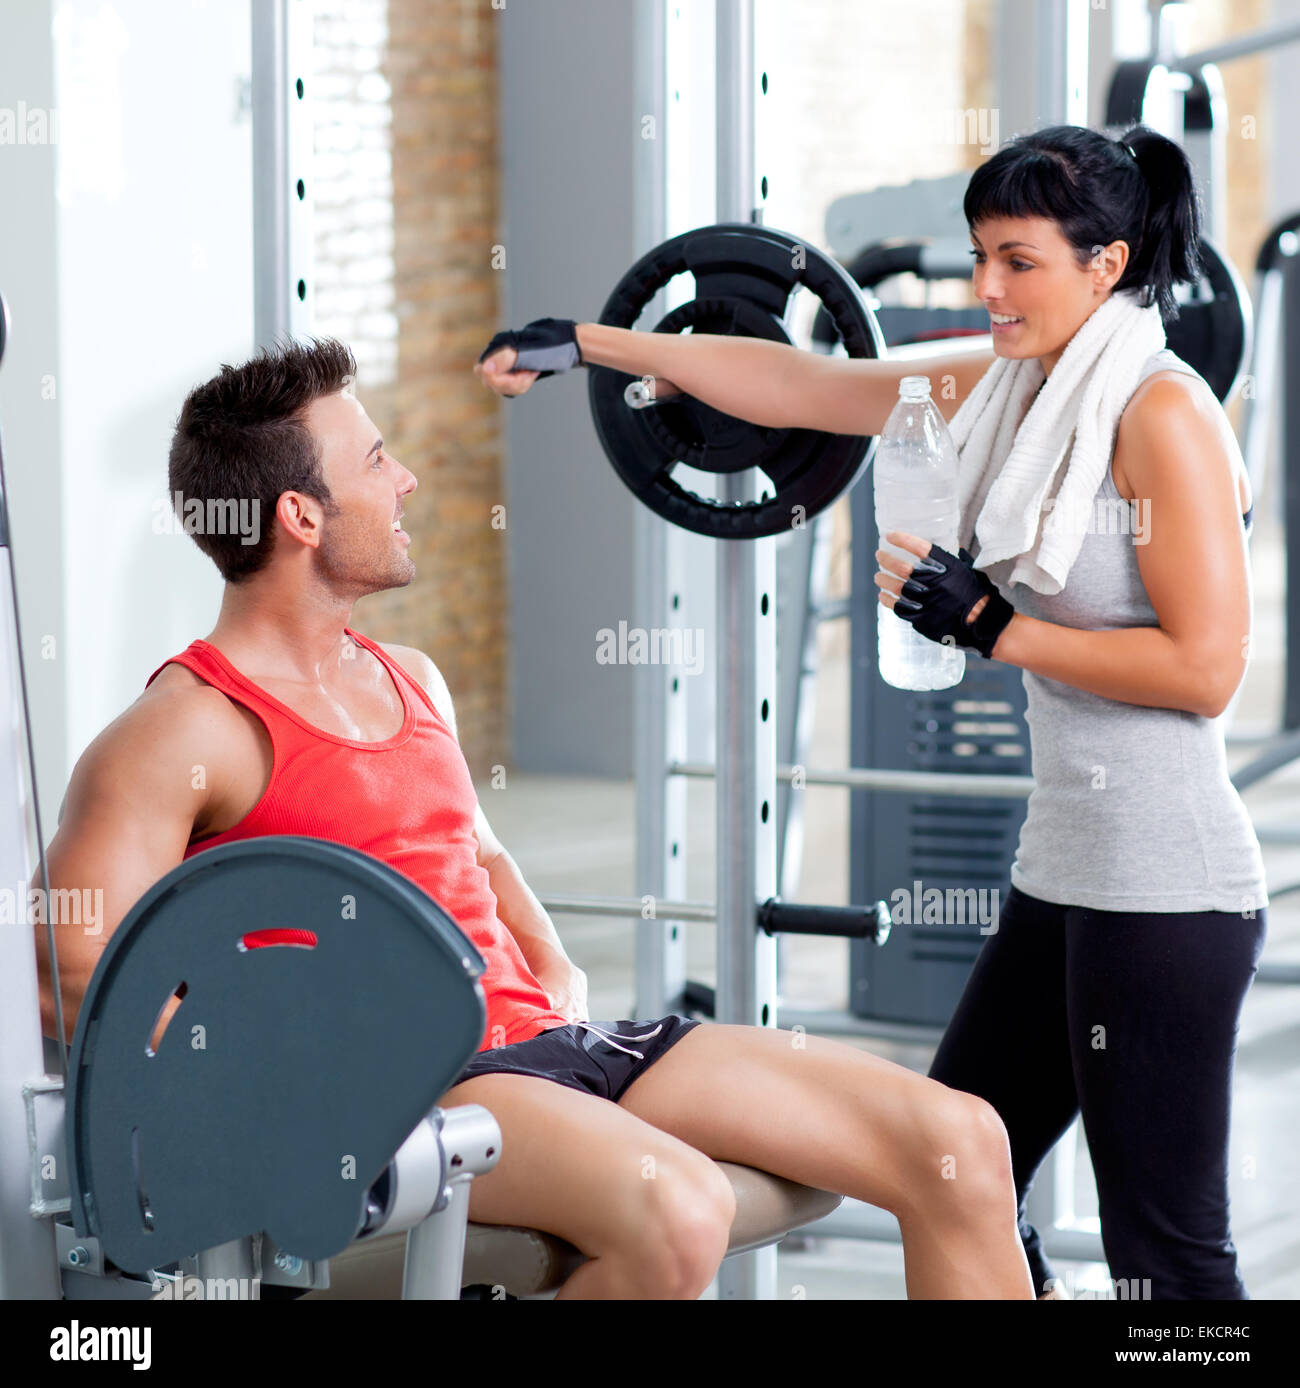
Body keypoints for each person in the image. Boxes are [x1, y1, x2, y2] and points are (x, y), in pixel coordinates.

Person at [36, 337, 1034, 1302]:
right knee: (679, 1208)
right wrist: (300, 1097)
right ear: (300, 514)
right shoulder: (183, 731)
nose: (409, 479)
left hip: (557, 1044)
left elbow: (479, 853)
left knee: (958, 1141)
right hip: (418, 1084)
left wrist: (551, 962)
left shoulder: (409, 679)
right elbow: (74, 979)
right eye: (379, 460)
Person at [479, 122, 1267, 1301]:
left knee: (1167, 1257)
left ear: (1103, 266)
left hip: (1165, 889)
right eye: (978, 259)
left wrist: (992, 627)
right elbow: (812, 385)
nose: (986, 288)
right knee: (950, 1158)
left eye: (1016, 262)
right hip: (1064, 873)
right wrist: (589, 345)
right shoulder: (1013, 384)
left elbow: (1208, 670)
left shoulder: (1157, 412)